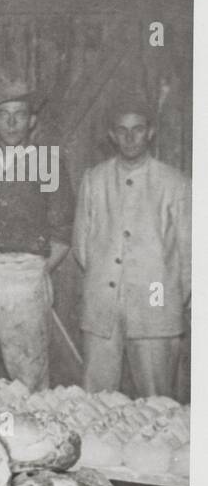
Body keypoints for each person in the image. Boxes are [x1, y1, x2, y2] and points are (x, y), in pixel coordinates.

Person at [0, 79, 72, 391]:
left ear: (31, 120)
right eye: (3, 114)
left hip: (25, 270)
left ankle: (31, 434)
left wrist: (34, 272)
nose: (10, 122)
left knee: (28, 369)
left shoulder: (47, 161)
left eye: (19, 114)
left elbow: (63, 231)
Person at [73, 99, 190, 398]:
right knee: (96, 399)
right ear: (112, 135)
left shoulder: (175, 183)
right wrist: (107, 281)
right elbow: (82, 245)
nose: (129, 138)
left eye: (137, 129)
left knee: (157, 400)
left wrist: (163, 295)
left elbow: (189, 252)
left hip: (154, 304)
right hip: (103, 307)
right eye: (122, 130)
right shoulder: (95, 178)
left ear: (150, 132)